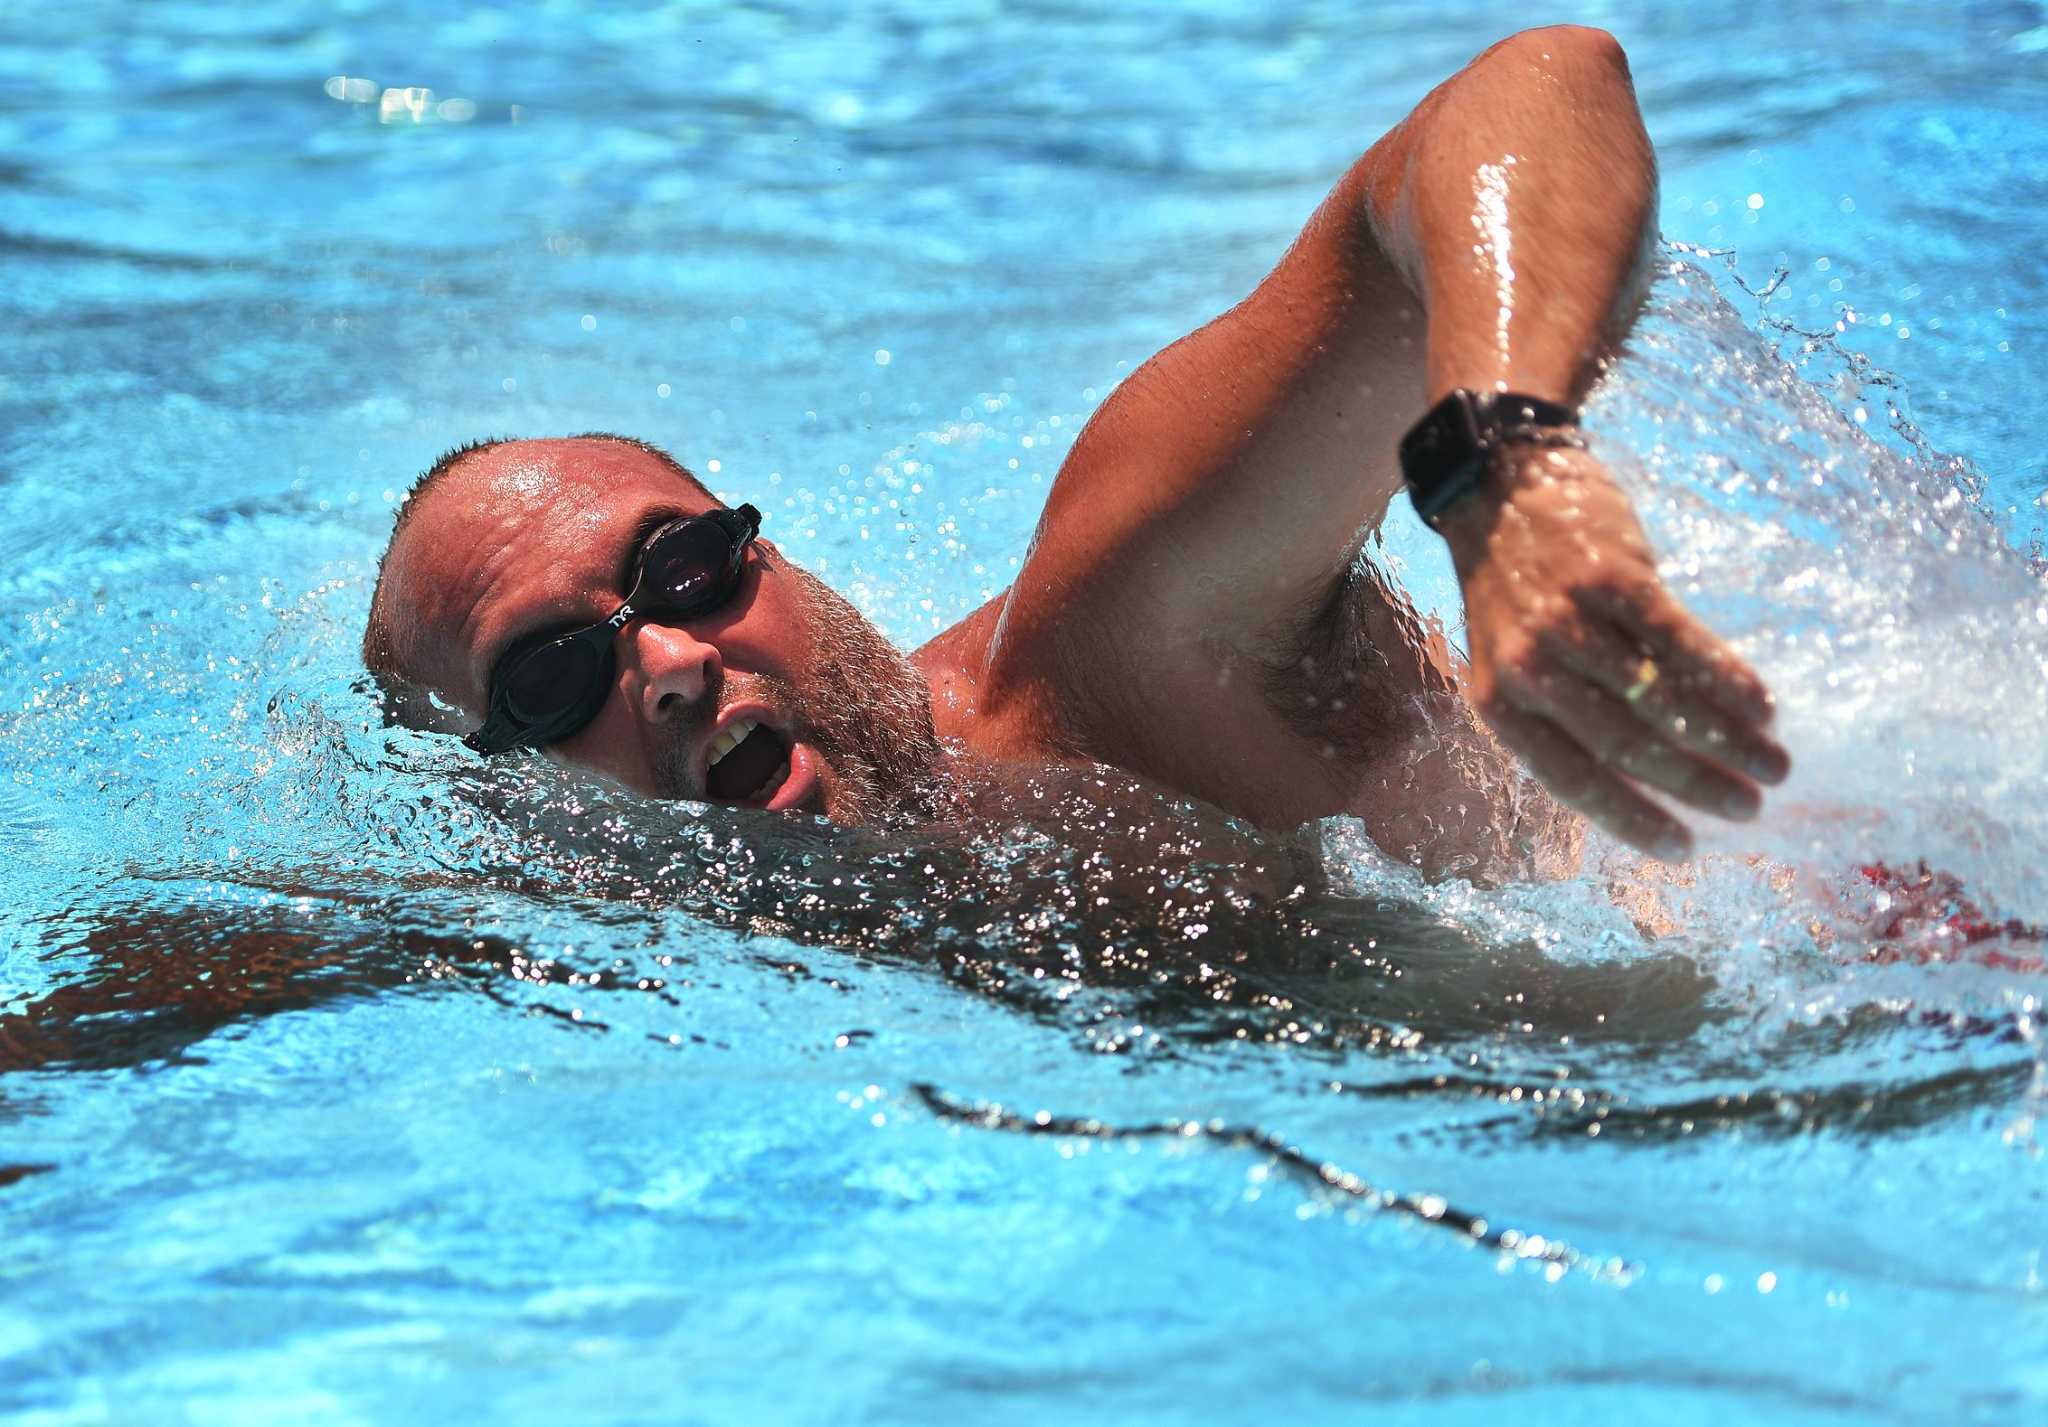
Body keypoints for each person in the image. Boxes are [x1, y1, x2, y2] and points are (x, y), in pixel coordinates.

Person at [362, 25, 1790, 885]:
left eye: (684, 567)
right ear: (511, 808)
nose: (668, 663)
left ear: (769, 552)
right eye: (554, 682)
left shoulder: (1116, 659)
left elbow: (1541, 87)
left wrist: (1510, 471)